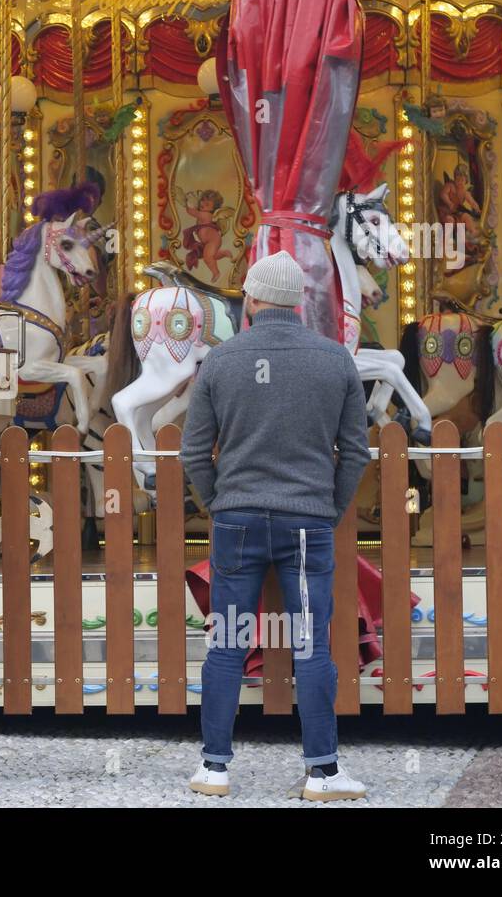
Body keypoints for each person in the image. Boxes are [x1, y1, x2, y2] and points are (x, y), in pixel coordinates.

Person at [181, 250, 371, 802]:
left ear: (253, 299)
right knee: (312, 646)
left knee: (227, 643)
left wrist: (220, 503)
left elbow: (194, 451)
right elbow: (355, 452)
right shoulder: (335, 360)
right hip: (308, 521)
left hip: (237, 520)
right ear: (300, 302)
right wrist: (328, 508)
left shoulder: (222, 360)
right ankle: (323, 774)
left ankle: (214, 768)